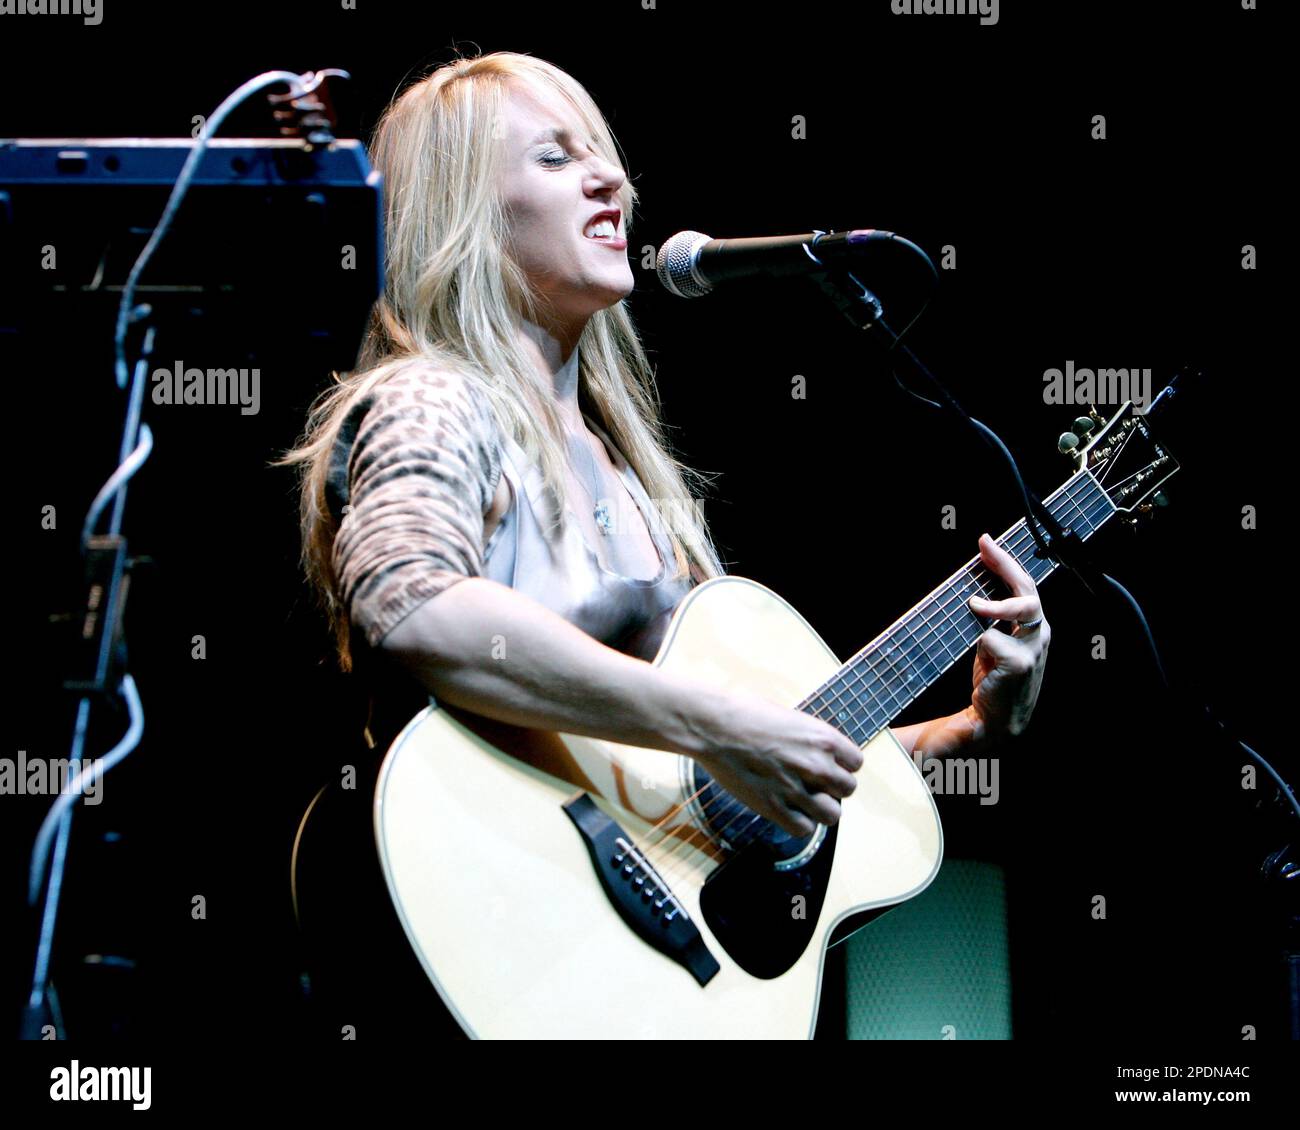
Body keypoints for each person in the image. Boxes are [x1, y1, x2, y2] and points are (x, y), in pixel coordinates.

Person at [275, 49, 1050, 1037]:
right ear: (463, 205)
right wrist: (717, 721)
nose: (612, 180)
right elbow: (412, 604)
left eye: (602, 155)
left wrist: (962, 732)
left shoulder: (635, 478)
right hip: (485, 916)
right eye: (556, 158)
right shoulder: (435, 399)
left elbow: (691, 794)